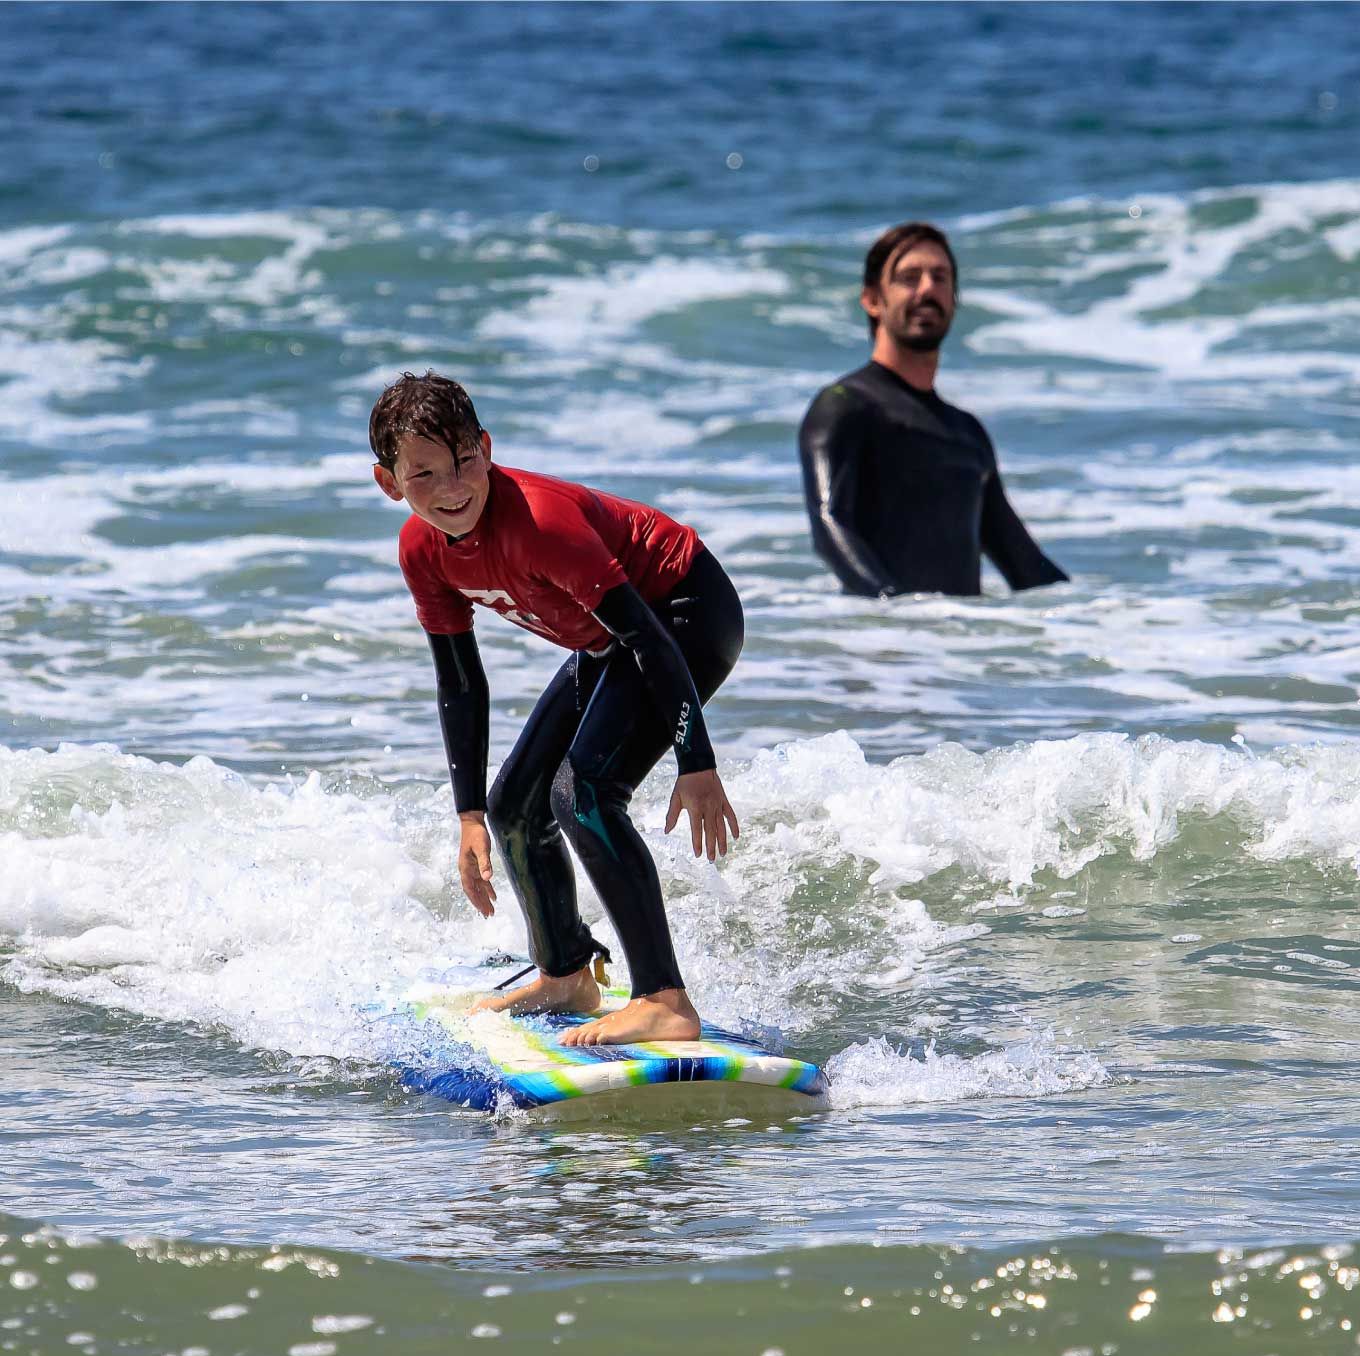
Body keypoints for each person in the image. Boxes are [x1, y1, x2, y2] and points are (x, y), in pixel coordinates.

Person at [369, 372, 742, 1046]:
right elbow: (460, 681)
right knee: (517, 803)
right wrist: (469, 814)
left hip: (686, 615)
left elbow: (650, 640)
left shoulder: (542, 524)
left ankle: (665, 998)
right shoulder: (422, 552)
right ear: (389, 482)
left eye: (465, 462)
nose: (453, 488)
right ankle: (567, 970)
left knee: (585, 793)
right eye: (424, 474)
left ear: (485, 446)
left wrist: (697, 759)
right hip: (614, 640)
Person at [798, 221, 1069, 598]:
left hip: (953, 649)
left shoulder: (966, 432)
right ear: (873, 299)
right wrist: (901, 613)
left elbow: (1024, 563)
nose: (928, 288)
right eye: (910, 277)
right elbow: (831, 528)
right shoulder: (843, 406)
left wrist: (1101, 619)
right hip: (877, 647)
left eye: (940, 277)